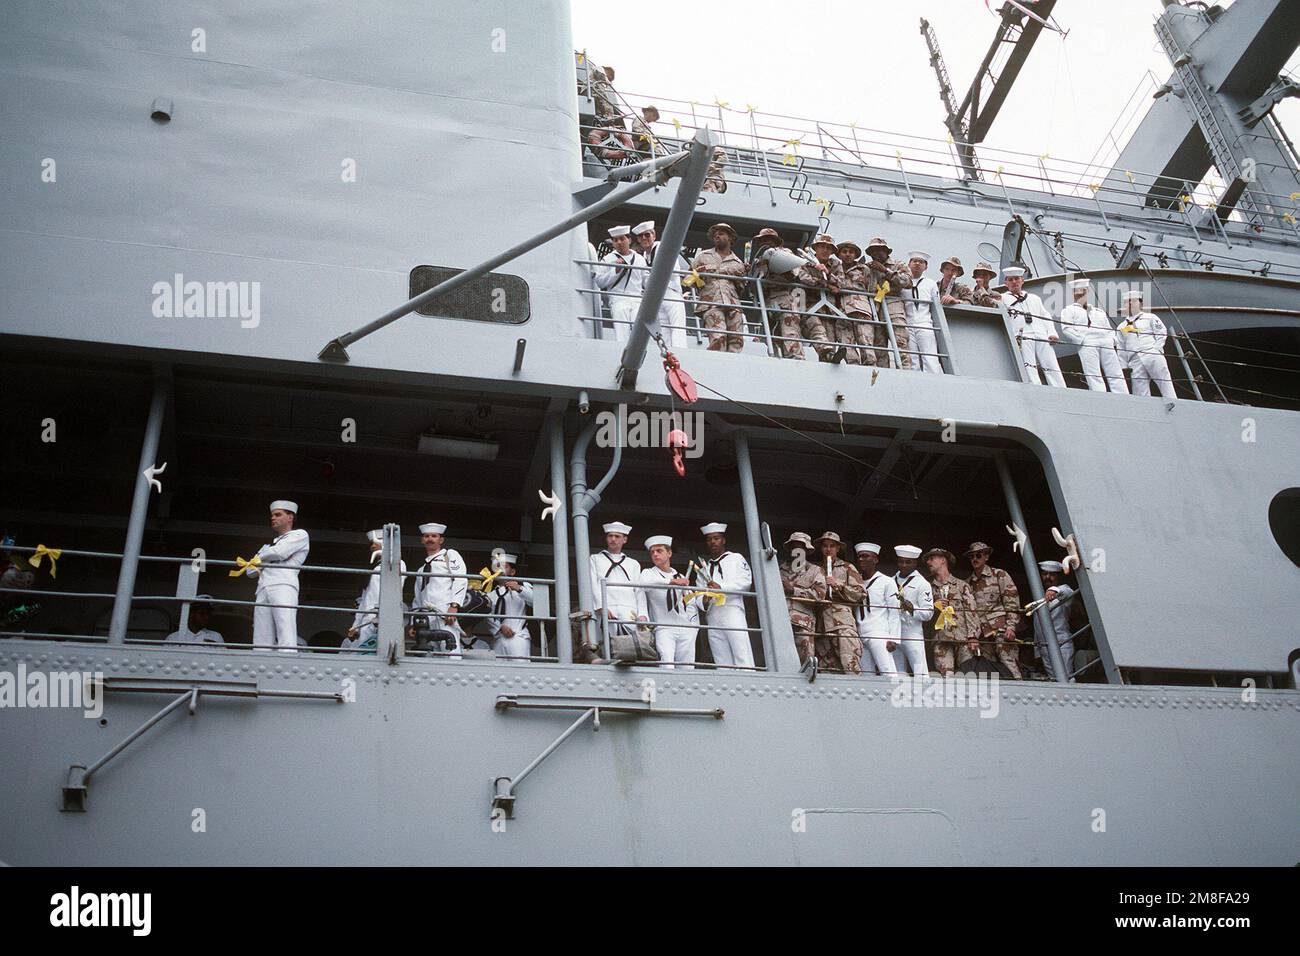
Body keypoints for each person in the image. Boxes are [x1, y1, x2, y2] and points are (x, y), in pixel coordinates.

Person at [241, 500, 309, 652]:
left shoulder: (299, 534)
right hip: (263, 588)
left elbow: (280, 553)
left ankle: (287, 662)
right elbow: (250, 572)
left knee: (285, 629)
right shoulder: (268, 546)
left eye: (278, 515)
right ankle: (260, 663)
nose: (273, 518)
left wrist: (261, 558)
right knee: (261, 634)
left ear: (290, 517)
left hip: (283, 586)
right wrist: (266, 556)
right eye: (272, 515)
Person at [750, 228, 828, 360]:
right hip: (777, 299)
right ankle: (795, 357)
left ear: (776, 242)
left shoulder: (785, 254)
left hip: (795, 297)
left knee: (812, 322)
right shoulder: (758, 261)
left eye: (769, 240)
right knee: (788, 327)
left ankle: (826, 350)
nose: (766, 243)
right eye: (763, 240)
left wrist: (820, 280)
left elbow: (799, 274)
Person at [694, 522, 753, 668]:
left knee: (741, 652)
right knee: (720, 658)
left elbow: (746, 582)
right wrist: (705, 599)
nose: (713, 542)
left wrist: (721, 588)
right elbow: (698, 594)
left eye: (716, 538)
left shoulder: (736, 558)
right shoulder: (704, 569)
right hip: (713, 614)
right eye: (709, 540)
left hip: (732, 610)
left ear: (723, 540)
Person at [637, 535, 698, 669]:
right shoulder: (648, 573)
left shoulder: (680, 576)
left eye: (659, 551)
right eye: (652, 552)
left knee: (687, 668)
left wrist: (694, 626)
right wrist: (670, 582)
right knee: (667, 665)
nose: (655, 554)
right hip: (664, 627)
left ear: (669, 553)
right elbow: (645, 584)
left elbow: (690, 603)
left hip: (685, 627)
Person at [965, 541, 1022, 678]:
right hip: (982, 634)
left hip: (1001, 630)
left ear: (986, 557)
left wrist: (1011, 627)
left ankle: (1018, 685)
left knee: (1009, 663)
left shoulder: (999, 575)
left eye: (978, 555)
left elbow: (1012, 602)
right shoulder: (968, 583)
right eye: (971, 557)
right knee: (988, 668)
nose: (974, 559)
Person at [1001, 266, 1065, 387]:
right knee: (1029, 366)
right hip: (1022, 335)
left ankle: (1060, 388)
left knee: (1051, 364)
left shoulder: (1034, 298)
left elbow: (1045, 315)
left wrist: (1052, 332)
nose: (1014, 282)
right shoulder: (1003, 299)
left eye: (1017, 279)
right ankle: (1035, 387)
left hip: (1040, 334)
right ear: (1006, 283)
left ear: (1022, 280)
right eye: (1010, 279)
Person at [1061, 278, 1128, 393]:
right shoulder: (1069, 310)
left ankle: (1122, 394)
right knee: (1093, 373)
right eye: (1078, 293)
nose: (1081, 295)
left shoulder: (1098, 312)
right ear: (1073, 294)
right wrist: (1082, 340)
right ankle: (1101, 396)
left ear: (1088, 292)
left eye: (1084, 292)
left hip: (1105, 342)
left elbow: (1108, 329)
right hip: (1087, 342)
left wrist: (1112, 340)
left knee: (1115, 372)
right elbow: (1067, 328)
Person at [343, 530, 406, 651]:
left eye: (375, 543)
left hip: (380, 619)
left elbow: (394, 593)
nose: (372, 546)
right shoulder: (374, 568)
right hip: (366, 622)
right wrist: (355, 626)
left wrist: (383, 617)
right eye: (371, 544)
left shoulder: (397, 564)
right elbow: (364, 602)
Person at [632, 220, 690, 348]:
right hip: (659, 296)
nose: (644, 238)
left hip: (669, 292)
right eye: (641, 236)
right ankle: (671, 354)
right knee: (666, 328)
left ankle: (679, 353)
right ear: (638, 240)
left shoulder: (662, 248)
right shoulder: (646, 255)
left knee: (676, 326)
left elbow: (669, 271)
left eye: (647, 235)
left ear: (654, 235)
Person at [411, 522, 468, 650]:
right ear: (422, 540)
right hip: (426, 620)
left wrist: (454, 606)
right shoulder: (421, 570)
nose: (430, 539)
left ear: (441, 540)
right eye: (426, 536)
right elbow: (417, 598)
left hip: (445, 615)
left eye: (434, 536)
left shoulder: (449, 555)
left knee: (451, 653)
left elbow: (460, 579)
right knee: (429, 656)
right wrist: (415, 623)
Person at [691, 223, 747, 353]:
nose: (717, 236)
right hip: (711, 303)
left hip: (733, 305)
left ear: (730, 238)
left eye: (721, 234)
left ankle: (732, 370)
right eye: (715, 235)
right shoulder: (703, 256)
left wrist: (711, 270)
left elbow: (741, 288)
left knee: (736, 340)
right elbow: (689, 278)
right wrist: (698, 276)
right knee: (718, 337)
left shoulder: (738, 262)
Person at [815, 532, 865, 674]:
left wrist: (839, 586)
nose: (828, 549)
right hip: (821, 625)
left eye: (832, 546)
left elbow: (861, 593)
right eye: (825, 546)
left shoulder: (847, 567)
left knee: (850, 665)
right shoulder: (815, 569)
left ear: (838, 549)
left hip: (842, 623)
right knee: (826, 669)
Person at [923, 548, 977, 677]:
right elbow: (923, 614)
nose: (928, 562)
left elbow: (971, 612)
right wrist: (934, 607)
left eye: (932, 558)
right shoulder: (927, 587)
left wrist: (973, 636)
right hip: (941, 639)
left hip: (963, 638)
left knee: (968, 674)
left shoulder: (961, 585)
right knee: (946, 677)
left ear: (943, 560)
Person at [780, 532, 827, 668]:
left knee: (806, 664)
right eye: (793, 547)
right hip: (781, 623)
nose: (796, 550)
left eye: (800, 547)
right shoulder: (780, 569)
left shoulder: (815, 570)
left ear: (806, 551)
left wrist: (794, 591)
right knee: (783, 662)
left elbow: (820, 595)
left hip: (803, 624)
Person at [590, 521, 642, 644]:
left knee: (630, 644)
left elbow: (639, 591)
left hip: (629, 609)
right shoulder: (595, 559)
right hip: (607, 607)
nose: (613, 539)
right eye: (610, 536)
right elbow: (592, 583)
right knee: (606, 642)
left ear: (625, 539)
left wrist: (642, 613)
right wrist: (601, 606)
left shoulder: (633, 564)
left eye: (617, 536)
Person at [593, 225, 647, 342]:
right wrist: (615, 271)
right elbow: (600, 282)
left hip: (637, 299)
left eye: (622, 239)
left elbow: (646, 280)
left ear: (629, 240)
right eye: (615, 240)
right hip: (618, 298)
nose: (619, 242)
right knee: (621, 332)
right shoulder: (607, 259)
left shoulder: (639, 259)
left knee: (639, 332)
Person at [865, 237, 913, 368]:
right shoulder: (867, 268)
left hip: (893, 305)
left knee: (900, 341)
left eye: (880, 250)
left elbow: (907, 282)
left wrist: (885, 271)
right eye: (874, 250)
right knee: (878, 347)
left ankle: (906, 370)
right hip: (875, 307)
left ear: (887, 252)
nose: (877, 253)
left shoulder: (898, 265)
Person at [1118, 290, 1176, 398]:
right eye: (1127, 302)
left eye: (1133, 301)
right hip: (1134, 360)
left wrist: (1157, 350)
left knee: (1164, 382)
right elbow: (1121, 347)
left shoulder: (1151, 317)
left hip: (1151, 353)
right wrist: (1124, 366)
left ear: (1140, 303)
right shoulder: (1121, 326)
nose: (1130, 304)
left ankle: (1173, 403)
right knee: (1140, 391)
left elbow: (1161, 333)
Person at [854, 542, 900, 675]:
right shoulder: (855, 581)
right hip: (860, 633)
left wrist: (894, 638)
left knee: (888, 671)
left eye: (865, 556)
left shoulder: (886, 581)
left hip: (879, 633)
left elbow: (894, 611)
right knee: (866, 675)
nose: (861, 559)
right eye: (859, 556)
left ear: (875, 559)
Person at [834, 239, 878, 366]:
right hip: (840, 311)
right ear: (839, 254)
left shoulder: (864, 269)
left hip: (861, 309)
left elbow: (872, 289)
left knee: (865, 342)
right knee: (846, 345)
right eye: (844, 251)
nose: (847, 254)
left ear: (855, 255)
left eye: (851, 252)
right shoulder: (834, 268)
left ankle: (870, 368)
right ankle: (853, 368)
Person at [892, 545, 934, 675]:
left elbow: (928, 613)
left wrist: (912, 609)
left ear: (915, 563)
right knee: (897, 674)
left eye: (908, 562)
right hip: (894, 633)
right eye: (901, 561)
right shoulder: (890, 581)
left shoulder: (922, 583)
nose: (903, 565)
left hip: (912, 634)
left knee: (920, 673)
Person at [1032, 559, 1076, 681]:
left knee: (1066, 678)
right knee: (1053, 680)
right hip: (1044, 647)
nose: (1047, 577)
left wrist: (1055, 590)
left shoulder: (1061, 593)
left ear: (1058, 577)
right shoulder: (1040, 596)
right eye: (1045, 574)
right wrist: (1037, 652)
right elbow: (1037, 626)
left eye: (1052, 575)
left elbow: (1068, 592)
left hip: (1061, 644)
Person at [485, 552, 534, 661]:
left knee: (520, 669)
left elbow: (535, 601)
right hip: (499, 638)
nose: (500, 570)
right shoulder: (490, 594)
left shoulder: (522, 586)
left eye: (504, 566)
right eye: (497, 567)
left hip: (518, 637)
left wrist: (519, 588)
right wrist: (499, 627)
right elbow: (487, 614)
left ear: (512, 572)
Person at [804, 235, 844, 362]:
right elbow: (801, 277)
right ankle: (828, 354)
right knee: (818, 331)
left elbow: (841, 283)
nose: (825, 250)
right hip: (810, 307)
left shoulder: (835, 264)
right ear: (816, 248)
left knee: (830, 341)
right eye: (822, 247)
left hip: (830, 310)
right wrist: (825, 284)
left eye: (828, 248)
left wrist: (827, 273)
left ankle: (829, 359)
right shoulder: (805, 260)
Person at [905, 251, 943, 373]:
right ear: (909, 264)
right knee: (912, 358)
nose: (917, 264)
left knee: (929, 355)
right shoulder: (903, 282)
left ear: (925, 266)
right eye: (914, 261)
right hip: (908, 323)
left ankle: (934, 379)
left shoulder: (930, 284)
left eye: (921, 262)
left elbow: (936, 305)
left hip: (924, 322)